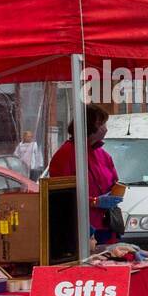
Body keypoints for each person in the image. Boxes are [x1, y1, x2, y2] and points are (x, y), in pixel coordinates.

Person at [48, 104, 122, 245]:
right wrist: (93, 201)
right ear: (88, 125)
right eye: (101, 123)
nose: (105, 128)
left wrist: (116, 193)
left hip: (107, 225)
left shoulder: (103, 155)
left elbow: (114, 182)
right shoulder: (66, 154)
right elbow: (61, 195)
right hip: (80, 227)